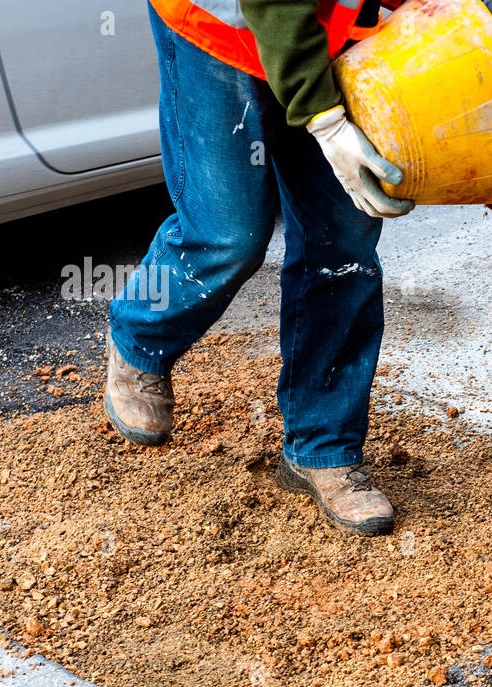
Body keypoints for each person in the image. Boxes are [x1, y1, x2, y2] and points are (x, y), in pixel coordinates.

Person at [105, 0, 410, 536]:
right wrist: (327, 118)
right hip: (220, 27)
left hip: (338, 33)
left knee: (343, 244)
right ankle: (140, 335)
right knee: (228, 236)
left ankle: (323, 449)